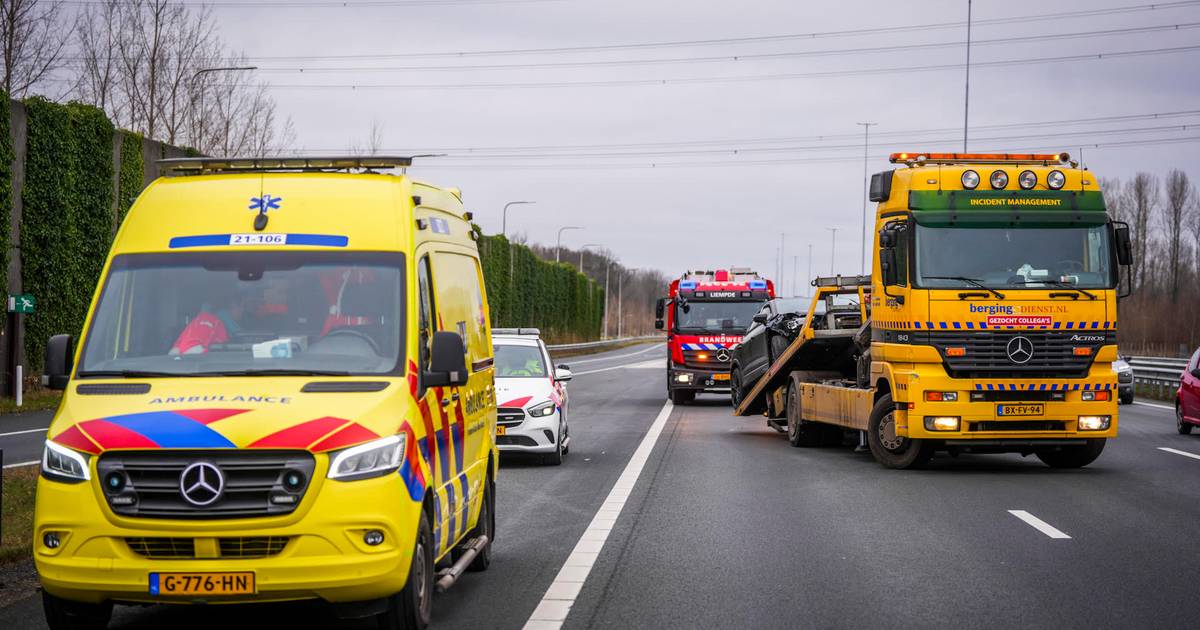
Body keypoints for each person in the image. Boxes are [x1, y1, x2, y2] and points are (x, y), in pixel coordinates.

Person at [169, 291, 251, 355]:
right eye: (242, 306)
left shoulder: (200, 320)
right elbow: (242, 339)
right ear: (233, 305)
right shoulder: (218, 320)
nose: (243, 310)